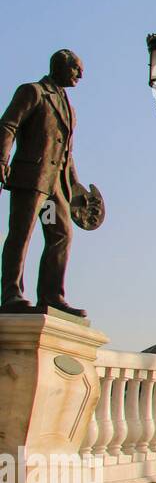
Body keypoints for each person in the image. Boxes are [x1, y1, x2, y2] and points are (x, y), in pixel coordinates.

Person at [0, 50, 87, 316]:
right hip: (32, 178)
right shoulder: (33, 92)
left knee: (60, 234)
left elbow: (67, 154)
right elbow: (8, 125)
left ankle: (51, 296)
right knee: (21, 234)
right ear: (59, 67)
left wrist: (75, 187)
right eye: (76, 69)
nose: (80, 75)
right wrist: (2, 159)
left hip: (55, 187)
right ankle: (11, 293)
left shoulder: (69, 108)